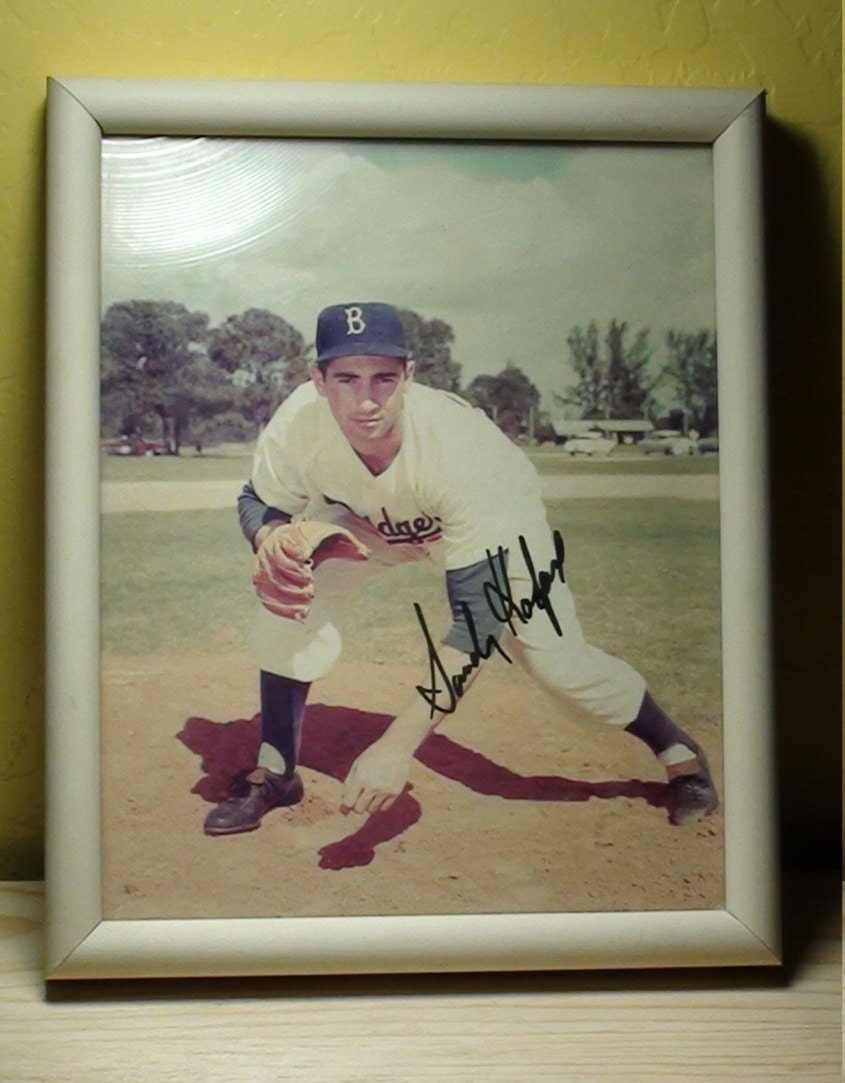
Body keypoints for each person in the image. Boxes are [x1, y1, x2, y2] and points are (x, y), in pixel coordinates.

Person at [203, 301, 718, 836]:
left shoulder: (463, 448)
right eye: (346, 378)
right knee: (289, 590)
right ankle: (278, 772)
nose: (365, 398)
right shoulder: (298, 425)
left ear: (409, 376)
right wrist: (270, 536)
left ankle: (679, 753)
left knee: (564, 671)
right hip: (365, 523)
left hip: (487, 529)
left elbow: (477, 622)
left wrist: (397, 746)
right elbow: (259, 499)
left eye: (383, 377)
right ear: (317, 379)